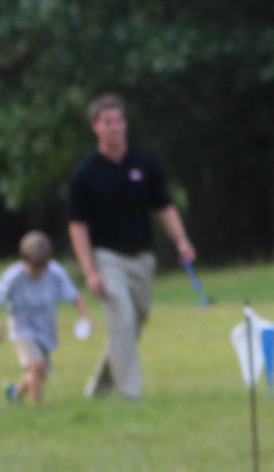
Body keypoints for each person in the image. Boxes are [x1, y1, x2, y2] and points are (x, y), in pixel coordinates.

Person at [65, 94, 196, 401]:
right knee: (121, 320)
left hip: (142, 259)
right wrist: (90, 272)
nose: (116, 127)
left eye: (120, 120)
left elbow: (164, 206)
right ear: (96, 127)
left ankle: (99, 388)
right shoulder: (85, 173)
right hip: (107, 258)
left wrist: (181, 240)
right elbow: (77, 225)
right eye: (108, 122)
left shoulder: (145, 164)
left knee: (132, 326)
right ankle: (130, 394)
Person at [0, 231, 91, 405]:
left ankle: (15, 394)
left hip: (45, 330)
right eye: (34, 267)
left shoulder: (56, 273)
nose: (39, 272)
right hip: (22, 329)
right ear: (24, 261)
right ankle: (37, 408)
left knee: (41, 373)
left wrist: (85, 318)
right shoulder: (14, 277)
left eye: (43, 267)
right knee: (37, 365)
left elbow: (76, 297)